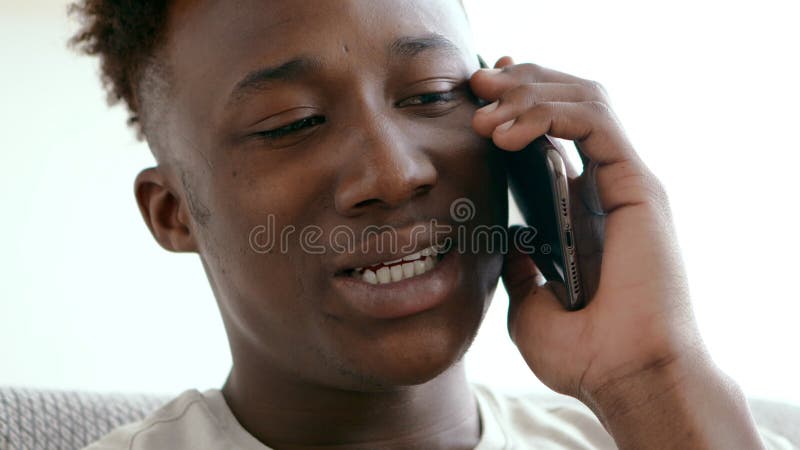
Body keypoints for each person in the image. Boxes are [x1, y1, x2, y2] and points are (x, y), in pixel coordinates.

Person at [69, 0, 793, 449]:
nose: (394, 173)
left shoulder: (666, 429)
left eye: (432, 93)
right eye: (292, 122)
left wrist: (652, 378)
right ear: (173, 213)